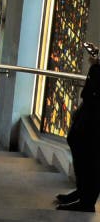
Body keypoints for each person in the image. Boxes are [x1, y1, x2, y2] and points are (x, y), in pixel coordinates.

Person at [55, 52, 100, 212]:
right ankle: (83, 192)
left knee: (91, 156)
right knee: (78, 144)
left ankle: (87, 201)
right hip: (91, 107)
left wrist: (96, 65)